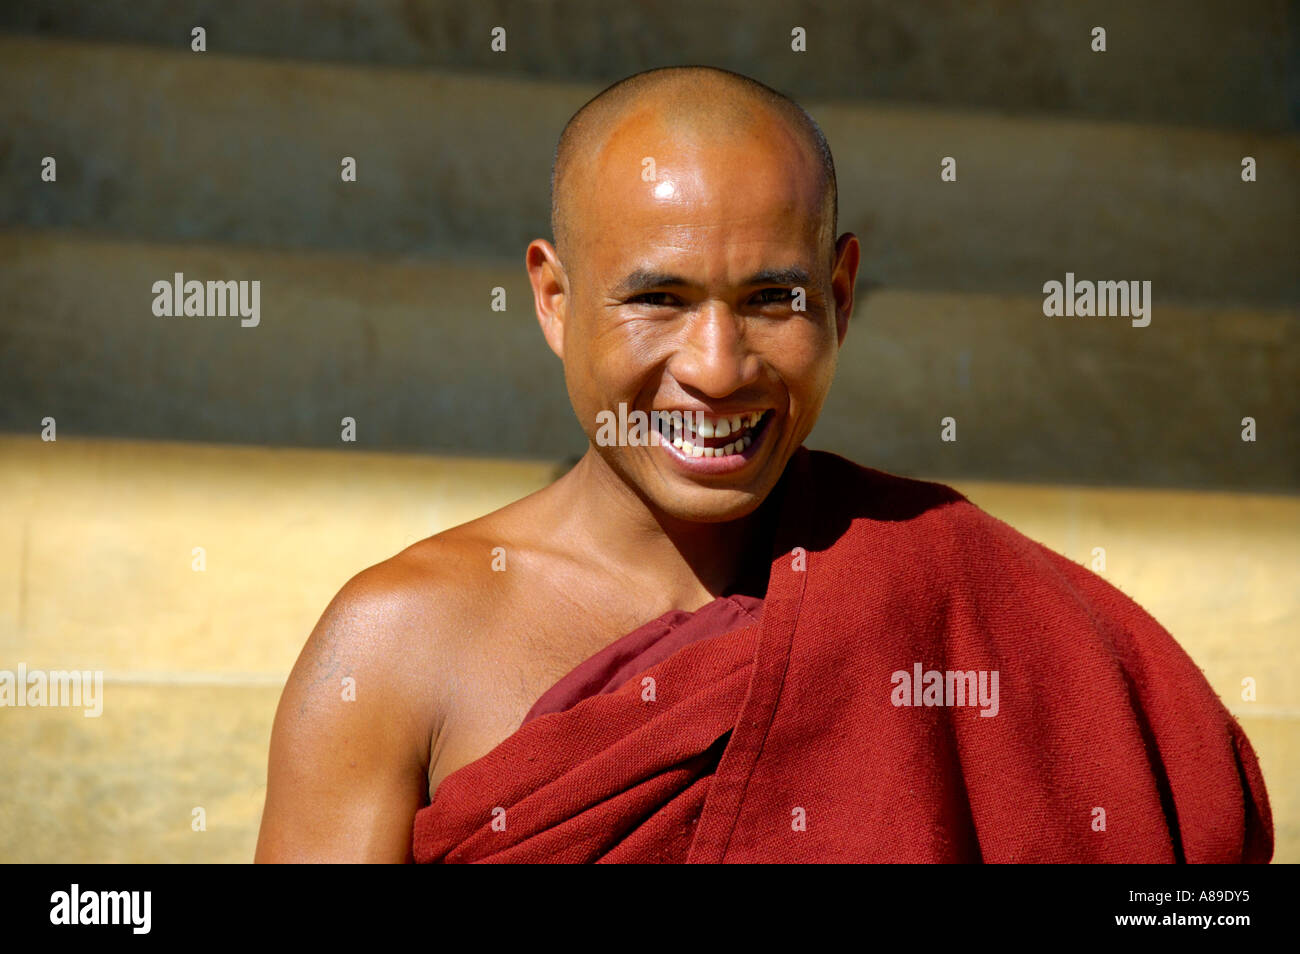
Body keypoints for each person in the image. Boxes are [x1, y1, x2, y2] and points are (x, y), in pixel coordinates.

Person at [255, 66, 1272, 863]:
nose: (716, 369)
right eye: (657, 299)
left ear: (838, 291)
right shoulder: (397, 644)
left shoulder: (947, 589)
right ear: (554, 300)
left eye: (770, 301)